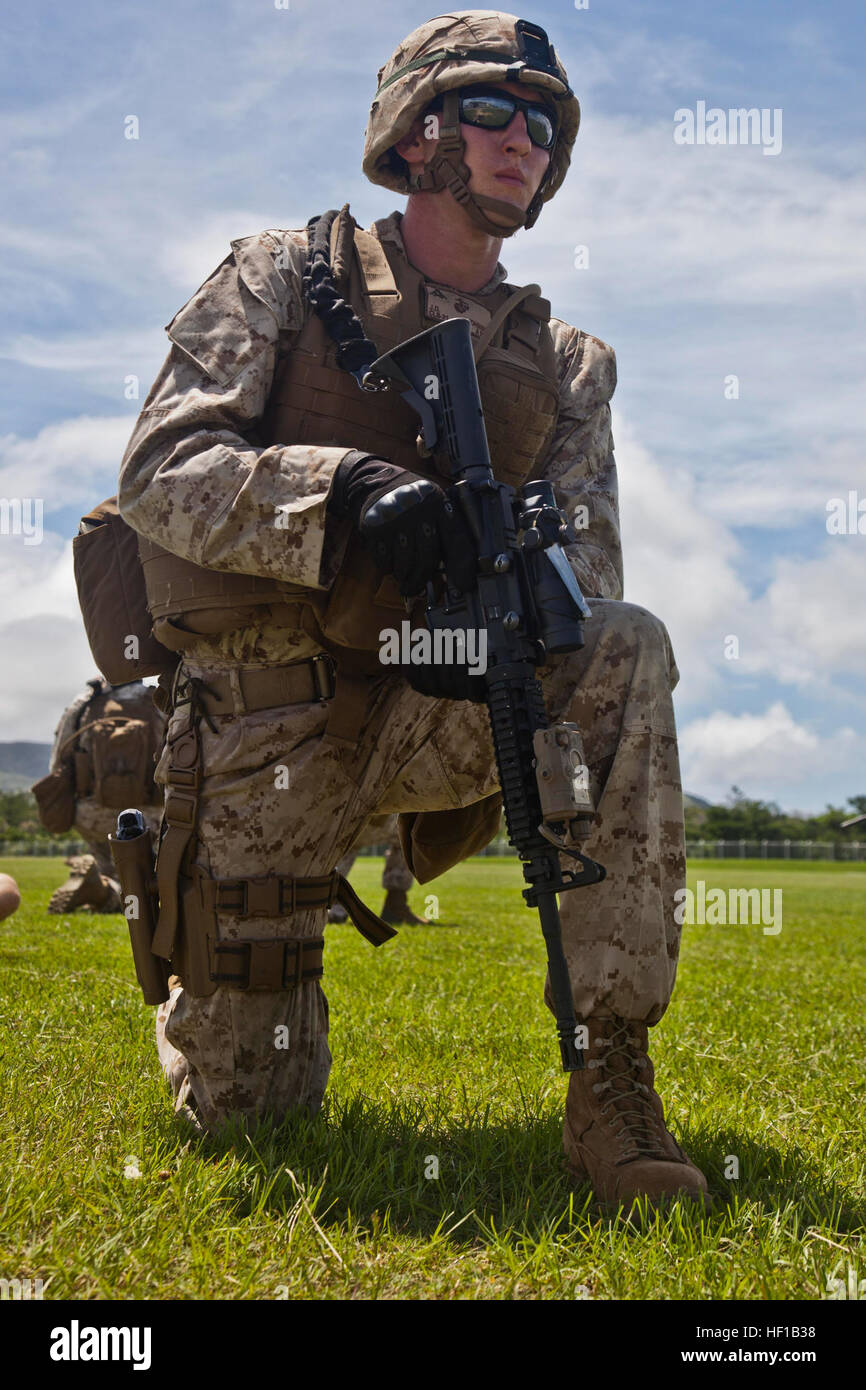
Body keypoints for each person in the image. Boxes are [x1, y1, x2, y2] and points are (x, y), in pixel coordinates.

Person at [119, 11, 707, 1205]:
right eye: (492, 110)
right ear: (416, 129)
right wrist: (335, 491)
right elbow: (158, 474)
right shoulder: (283, 277)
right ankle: (215, 992)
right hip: (272, 722)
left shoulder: (570, 362)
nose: (522, 140)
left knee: (622, 645)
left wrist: (497, 614)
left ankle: (612, 1077)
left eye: (543, 123)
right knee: (247, 1120)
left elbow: (587, 564)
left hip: (450, 701)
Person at [39, 678, 164, 914]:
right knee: (142, 884)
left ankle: (98, 885)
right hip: (149, 814)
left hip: (92, 815)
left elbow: (59, 759)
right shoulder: (157, 699)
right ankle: (104, 890)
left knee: (109, 864)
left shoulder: (86, 701)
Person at [328, 814, 427, 926]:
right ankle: (395, 904)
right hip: (358, 816)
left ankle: (333, 910)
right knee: (409, 833)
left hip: (342, 818)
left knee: (345, 846)